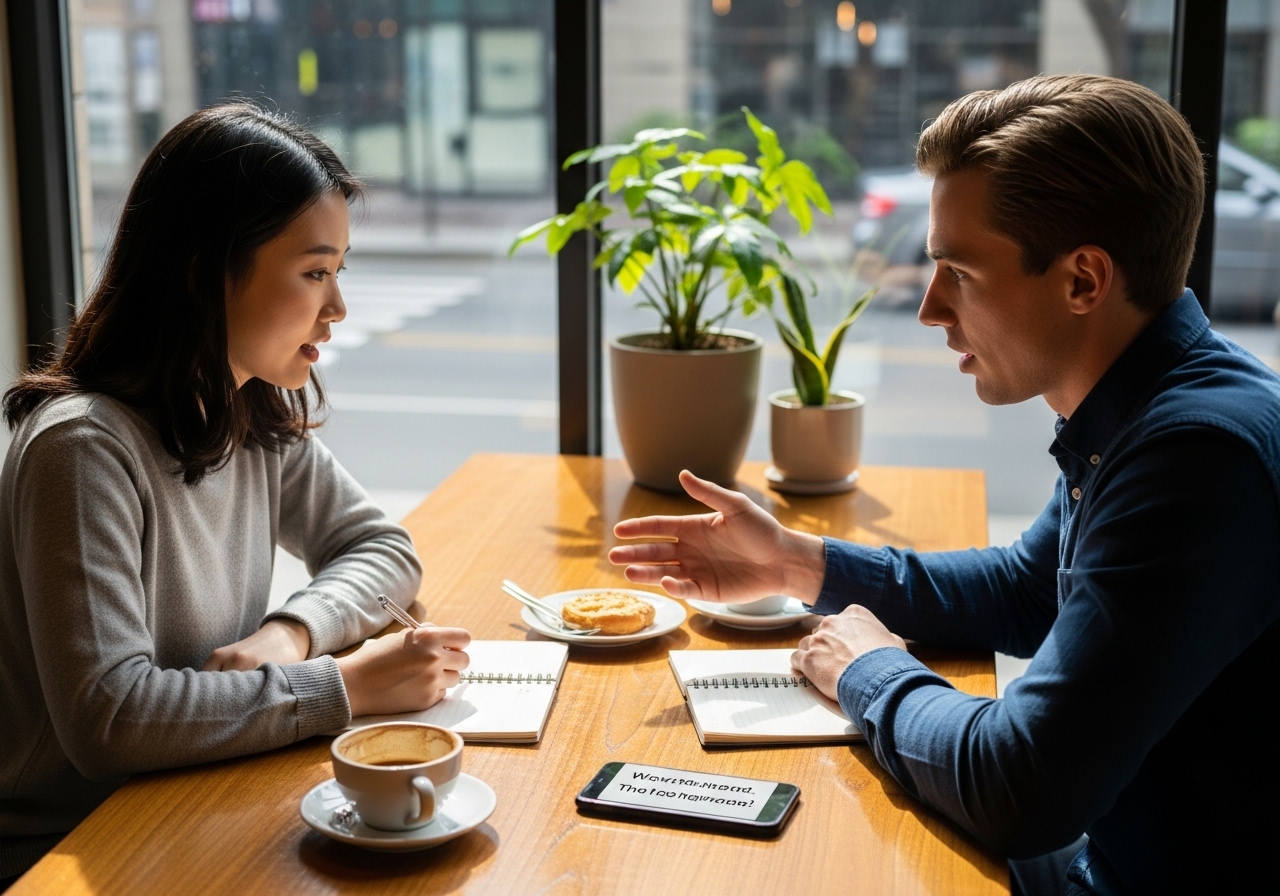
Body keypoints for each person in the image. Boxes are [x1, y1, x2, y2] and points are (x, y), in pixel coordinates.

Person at [611, 75, 1280, 895]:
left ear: (1083, 281)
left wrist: (869, 669)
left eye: (957, 271)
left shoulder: (1196, 458)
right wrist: (797, 563)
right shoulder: (1154, 411)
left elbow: (1021, 787)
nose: (930, 308)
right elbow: (1031, 589)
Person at [0, 104, 471, 884]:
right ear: (204, 273)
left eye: (338, 273)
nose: (337, 308)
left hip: (191, 795)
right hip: (72, 849)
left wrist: (291, 633)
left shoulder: (242, 408)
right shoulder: (82, 447)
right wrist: (345, 685)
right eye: (314, 272)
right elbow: (110, 720)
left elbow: (381, 548)